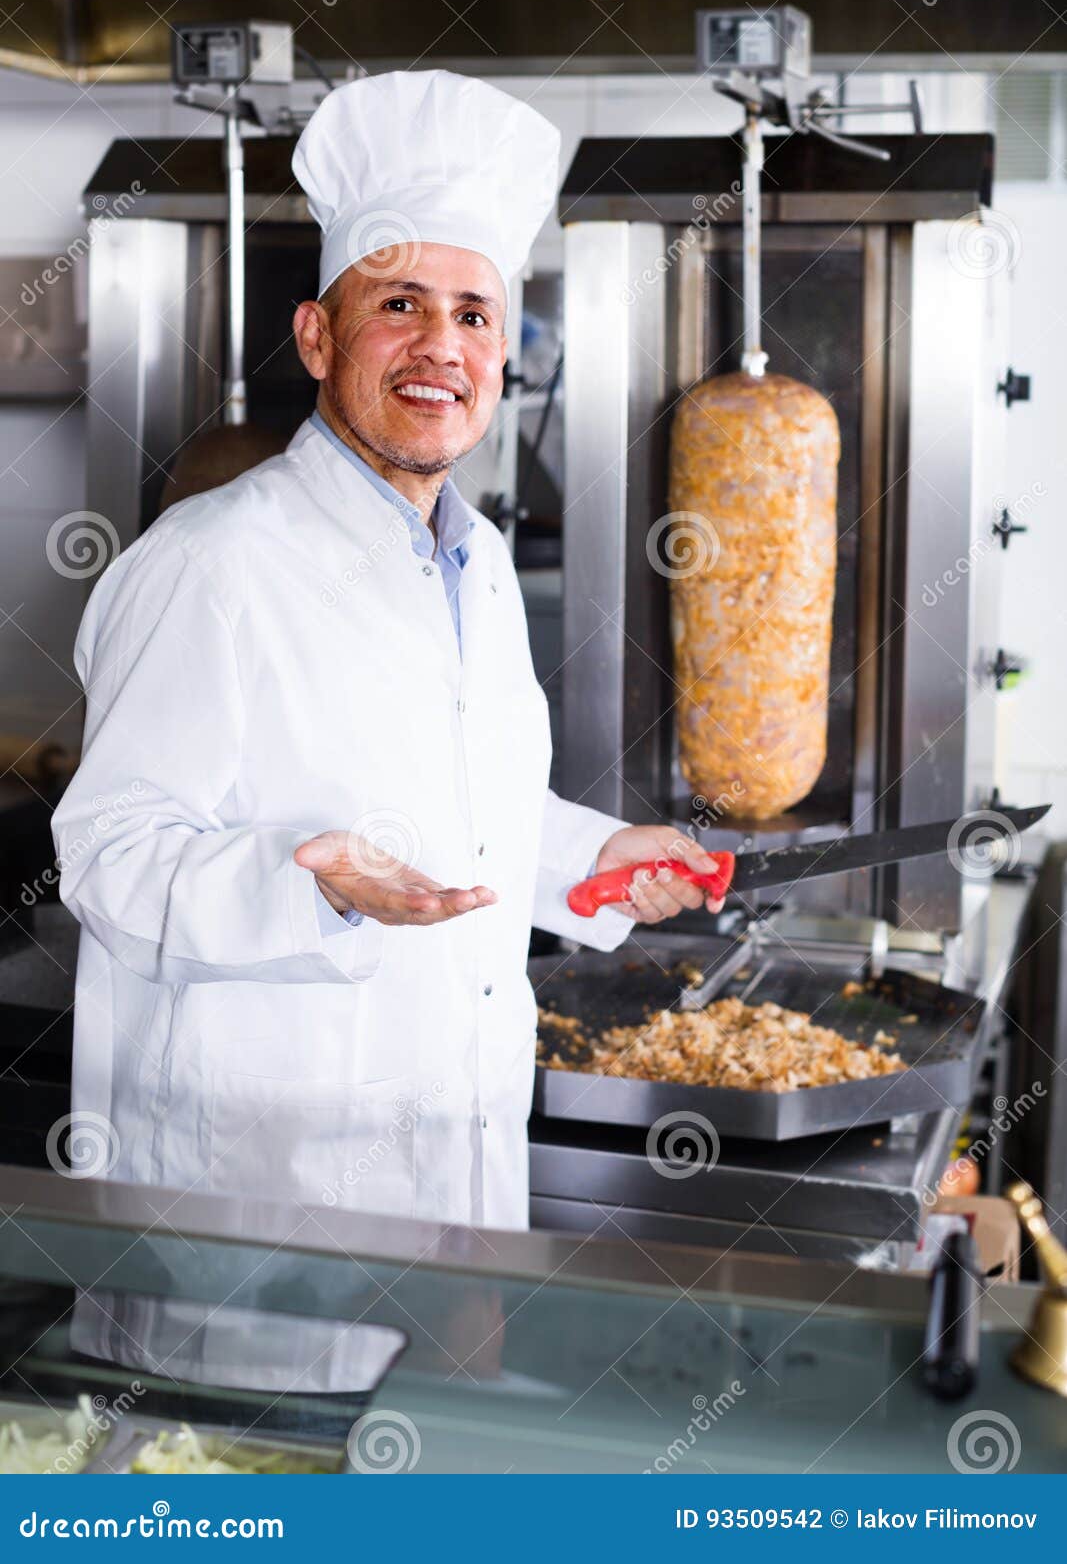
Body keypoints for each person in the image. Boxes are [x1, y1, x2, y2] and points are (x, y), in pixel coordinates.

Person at [52, 70, 721, 1257]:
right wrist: (305, 886)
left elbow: (470, 819)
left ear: (504, 354)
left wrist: (590, 857)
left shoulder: (476, 564)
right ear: (317, 335)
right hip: (253, 1193)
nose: (437, 347)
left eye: (471, 313)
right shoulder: (210, 564)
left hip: (458, 1170)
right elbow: (106, 857)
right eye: (398, 303)